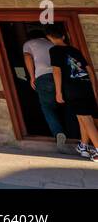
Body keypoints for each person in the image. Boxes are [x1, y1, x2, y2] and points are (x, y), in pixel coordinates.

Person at [45, 24, 98, 160]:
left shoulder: (54, 50)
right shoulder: (75, 50)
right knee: (81, 118)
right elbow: (89, 70)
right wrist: (94, 89)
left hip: (73, 89)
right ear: (63, 36)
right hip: (86, 87)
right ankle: (84, 146)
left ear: (49, 37)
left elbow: (57, 71)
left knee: (86, 119)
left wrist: (58, 92)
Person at [23, 27, 69, 151]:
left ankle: (59, 133)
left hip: (43, 77)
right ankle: (77, 133)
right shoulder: (51, 42)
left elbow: (27, 57)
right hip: (60, 75)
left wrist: (32, 77)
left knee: (47, 107)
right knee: (67, 104)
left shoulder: (28, 43)